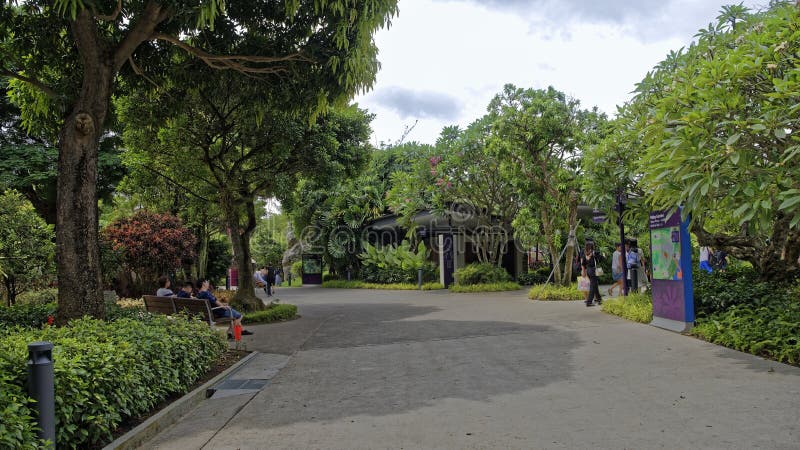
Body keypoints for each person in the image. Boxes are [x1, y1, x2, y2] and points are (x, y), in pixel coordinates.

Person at [581, 242, 603, 307]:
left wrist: (583, 271)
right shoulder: (594, 253)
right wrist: (603, 255)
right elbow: (601, 259)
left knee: (595, 285)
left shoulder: (585, 254)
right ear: (592, 247)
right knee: (592, 286)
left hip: (588, 270)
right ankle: (589, 302)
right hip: (593, 271)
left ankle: (599, 299)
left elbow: (583, 264)